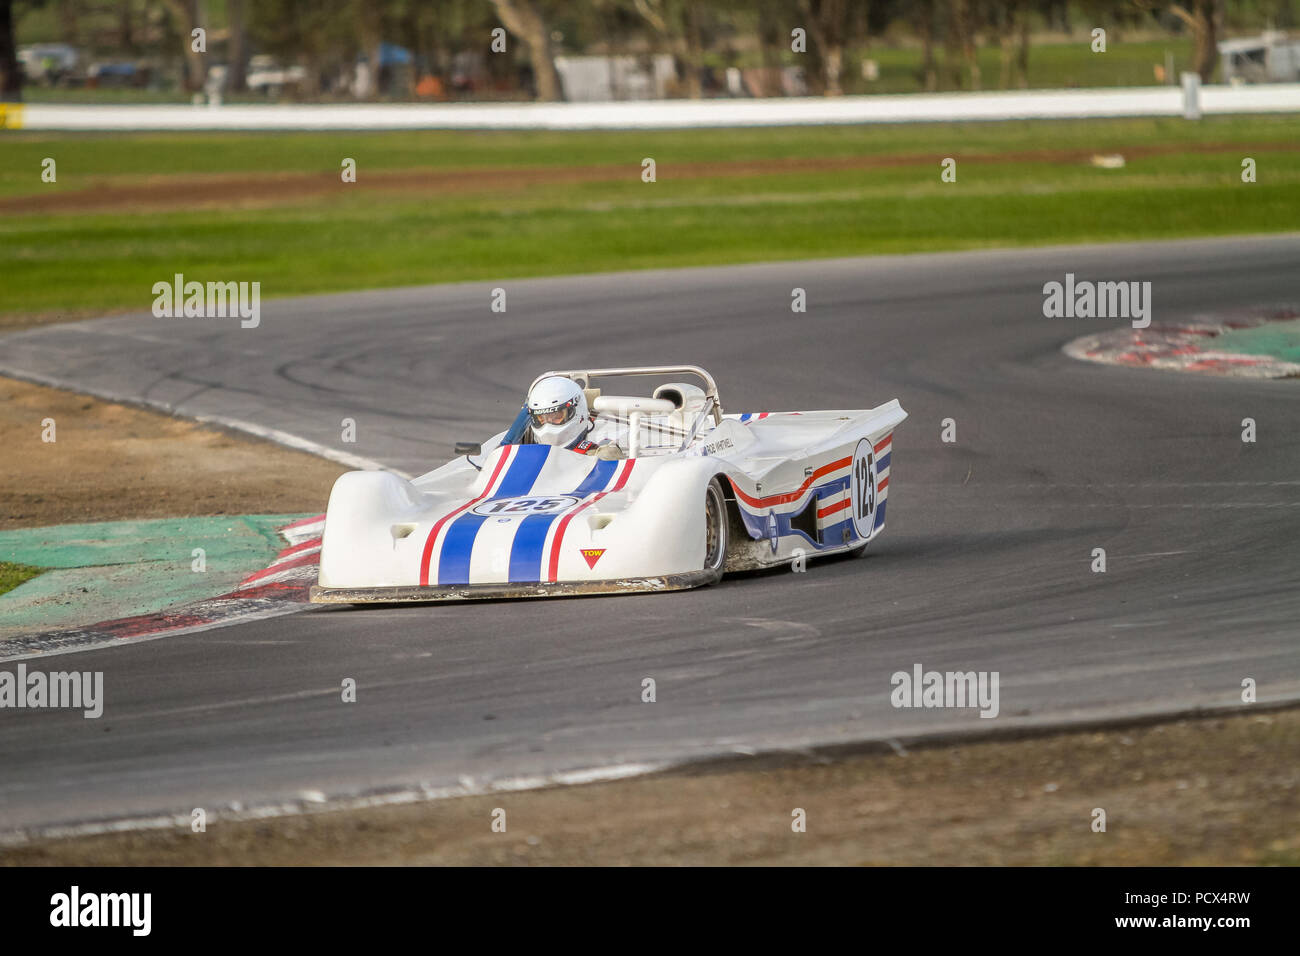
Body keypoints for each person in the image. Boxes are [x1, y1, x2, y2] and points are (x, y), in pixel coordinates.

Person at [508, 376, 623, 457]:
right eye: (541, 418)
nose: (548, 425)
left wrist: (608, 456)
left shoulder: (596, 453)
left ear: (576, 412)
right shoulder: (527, 453)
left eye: (556, 416)